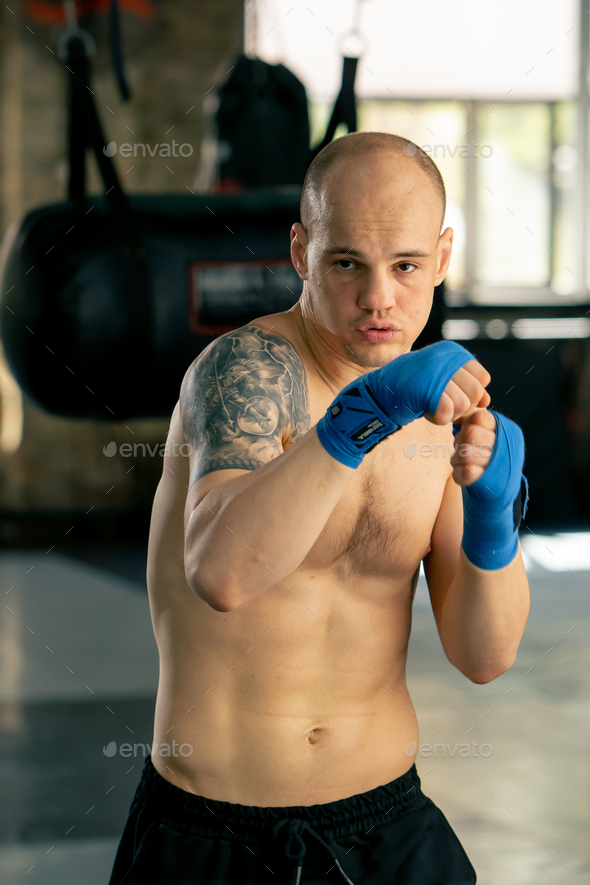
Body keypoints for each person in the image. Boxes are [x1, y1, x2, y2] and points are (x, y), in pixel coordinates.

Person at [108, 131, 530, 885]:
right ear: (301, 252)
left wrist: (495, 526)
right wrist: (358, 417)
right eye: (347, 265)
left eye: (405, 266)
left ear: (441, 256)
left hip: (386, 825)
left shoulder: (439, 413)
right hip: (213, 834)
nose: (378, 298)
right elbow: (222, 572)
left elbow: (483, 655)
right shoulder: (243, 372)